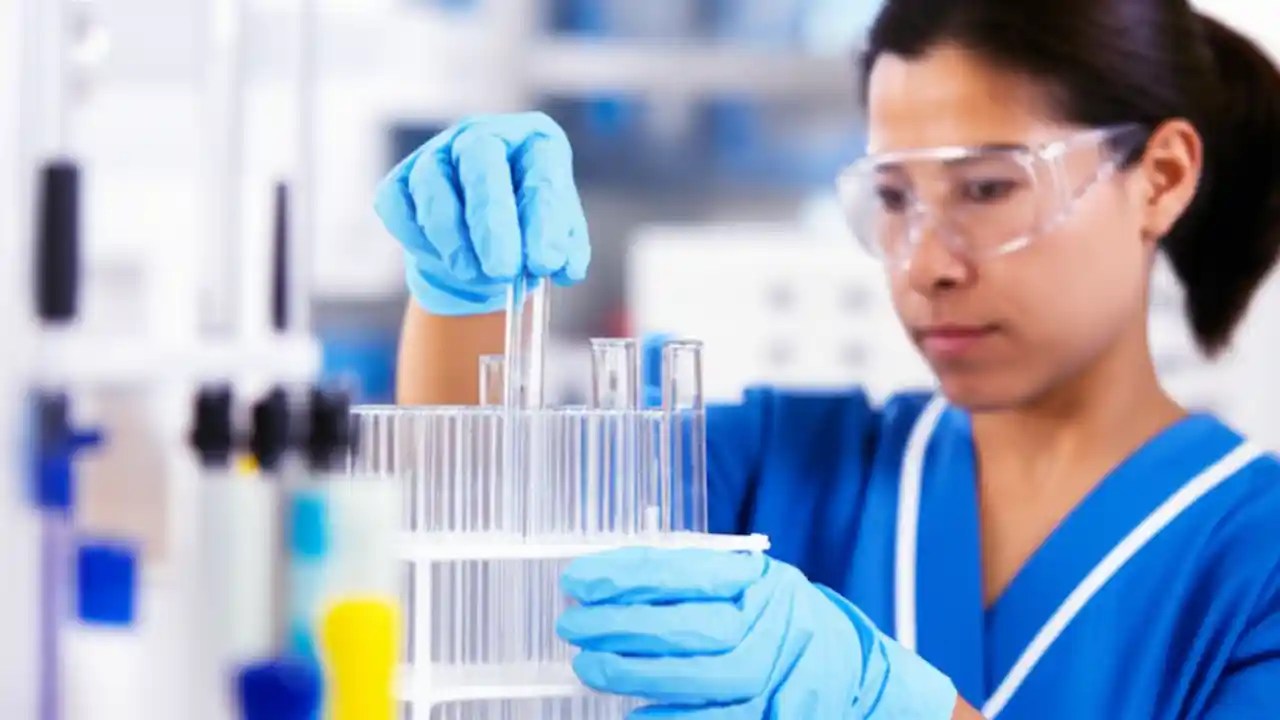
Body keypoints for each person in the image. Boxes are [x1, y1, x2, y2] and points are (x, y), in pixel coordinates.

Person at [376, 0, 1280, 716]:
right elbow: (492, 516)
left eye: (990, 187)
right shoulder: (786, 463)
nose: (925, 263)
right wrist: (467, 292)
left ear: (1160, 178)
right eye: (893, 195)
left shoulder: (1255, 558)